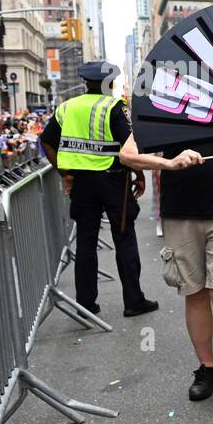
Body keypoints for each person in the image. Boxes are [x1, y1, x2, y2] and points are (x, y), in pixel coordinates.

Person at [119, 128, 213, 407]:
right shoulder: (165, 105)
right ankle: (206, 369)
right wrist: (168, 163)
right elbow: (127, 154)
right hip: (181, 214)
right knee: (194, 293)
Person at [39, 61, 157, 319]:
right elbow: (129, 146)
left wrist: (64, 173)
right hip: (114, 181)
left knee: (86, 241)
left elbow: (46, 141)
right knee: (124, 237)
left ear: (85, 83)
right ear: (111, 84)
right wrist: (138, 174)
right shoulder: (114, 106)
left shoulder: (66, 108)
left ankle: (85, 306)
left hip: (82, 183)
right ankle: (133, 300)